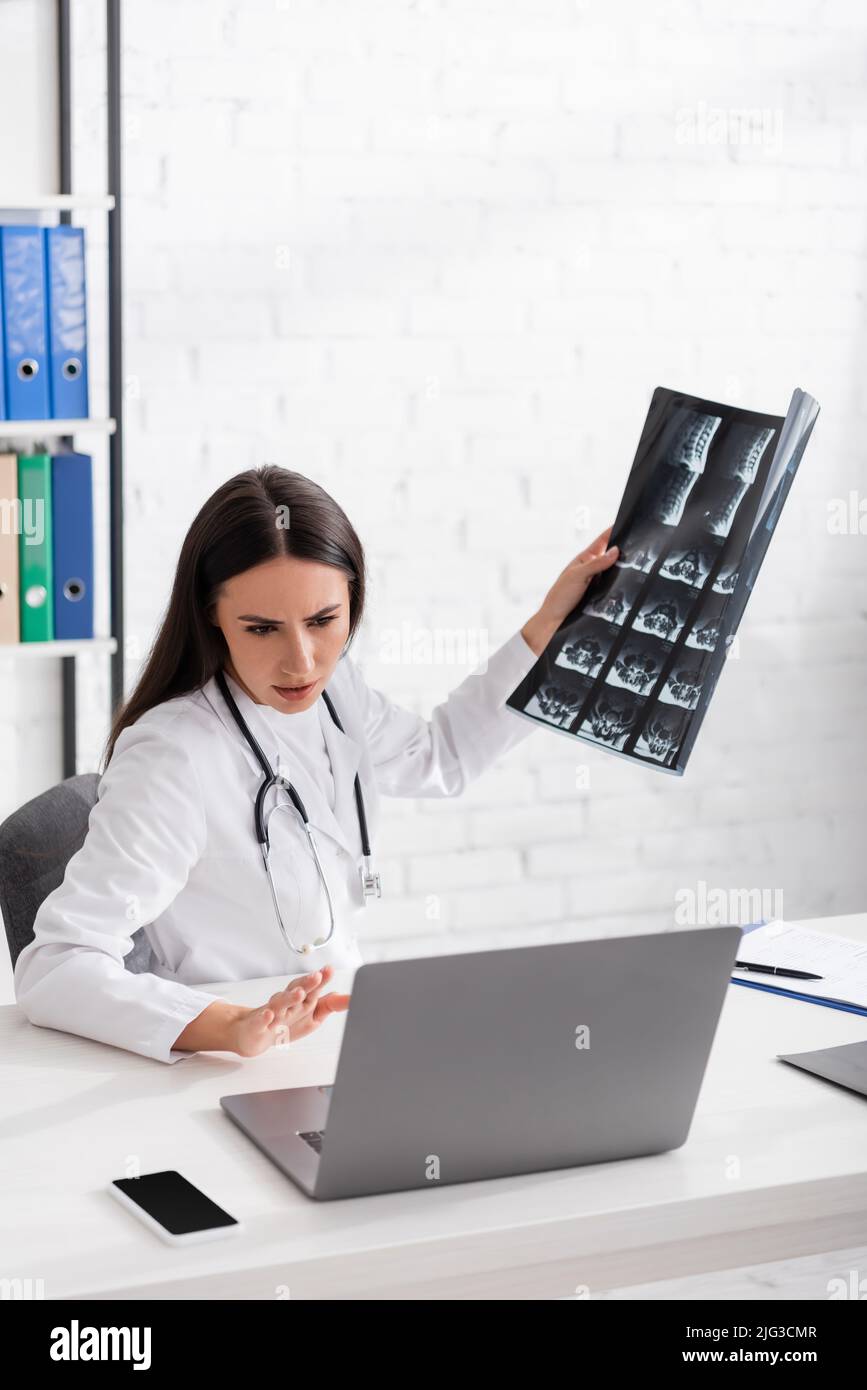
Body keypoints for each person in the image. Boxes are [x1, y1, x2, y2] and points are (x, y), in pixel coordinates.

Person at [13, 465, 617, 1063]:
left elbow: (441, 758)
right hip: (233, 1071)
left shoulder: (336, 693)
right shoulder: (173, 755)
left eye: (324, 621)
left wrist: (548, 624)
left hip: (346, 1045)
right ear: (211, 618)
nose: (301, 662)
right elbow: (57, 964)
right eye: (262, 629)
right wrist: (228, 1026)